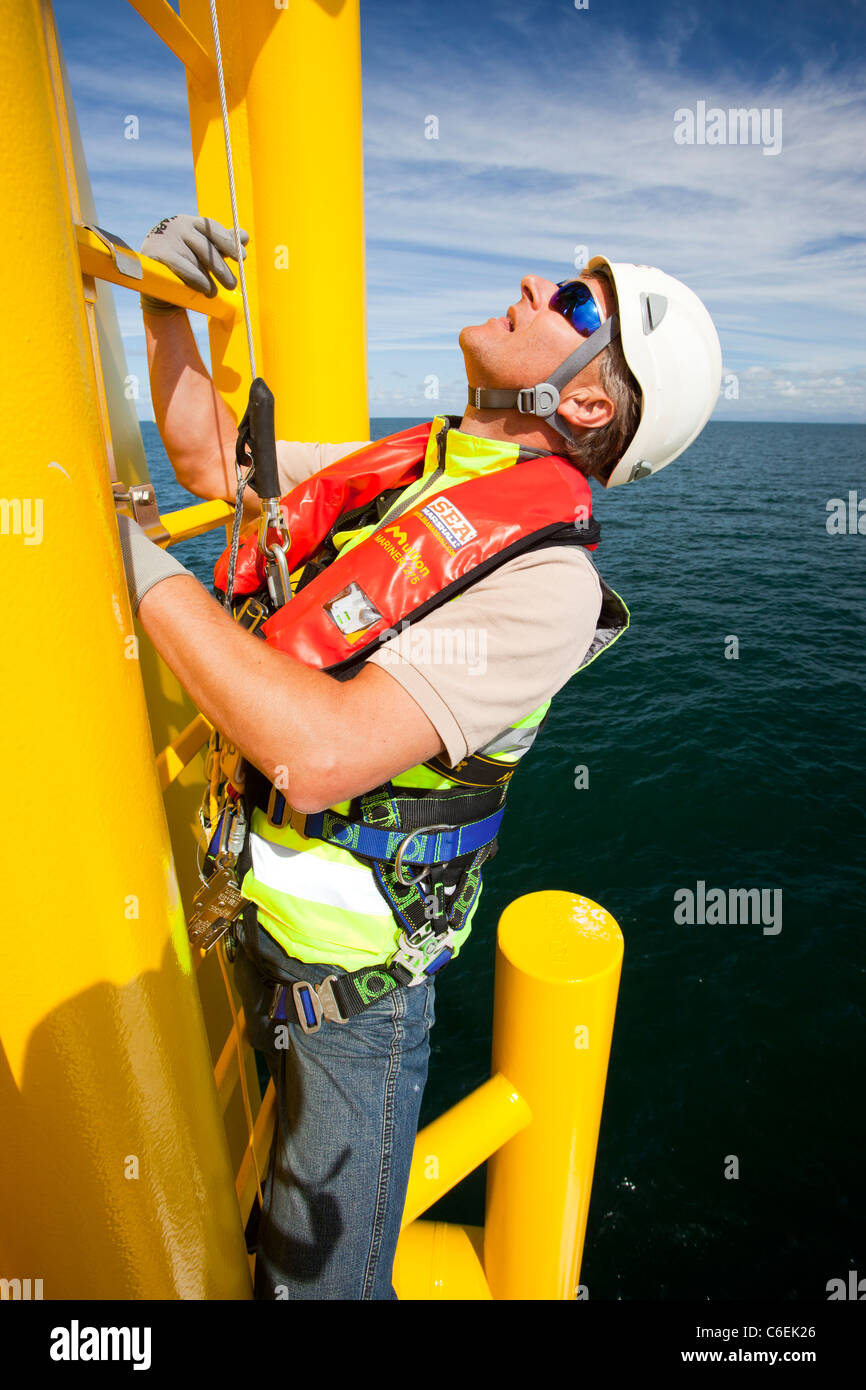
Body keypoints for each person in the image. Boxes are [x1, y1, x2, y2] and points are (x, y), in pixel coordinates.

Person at [117, 214, 721, 1300]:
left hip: (350, 993)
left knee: (319, 1291)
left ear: (585, 400)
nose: (537, 284)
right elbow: (214, 457)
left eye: (577, 305)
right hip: (244, 910)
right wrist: (168, 306)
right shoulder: (426, 469)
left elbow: (315, 754)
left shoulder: (546, 583)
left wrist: (129, 562)